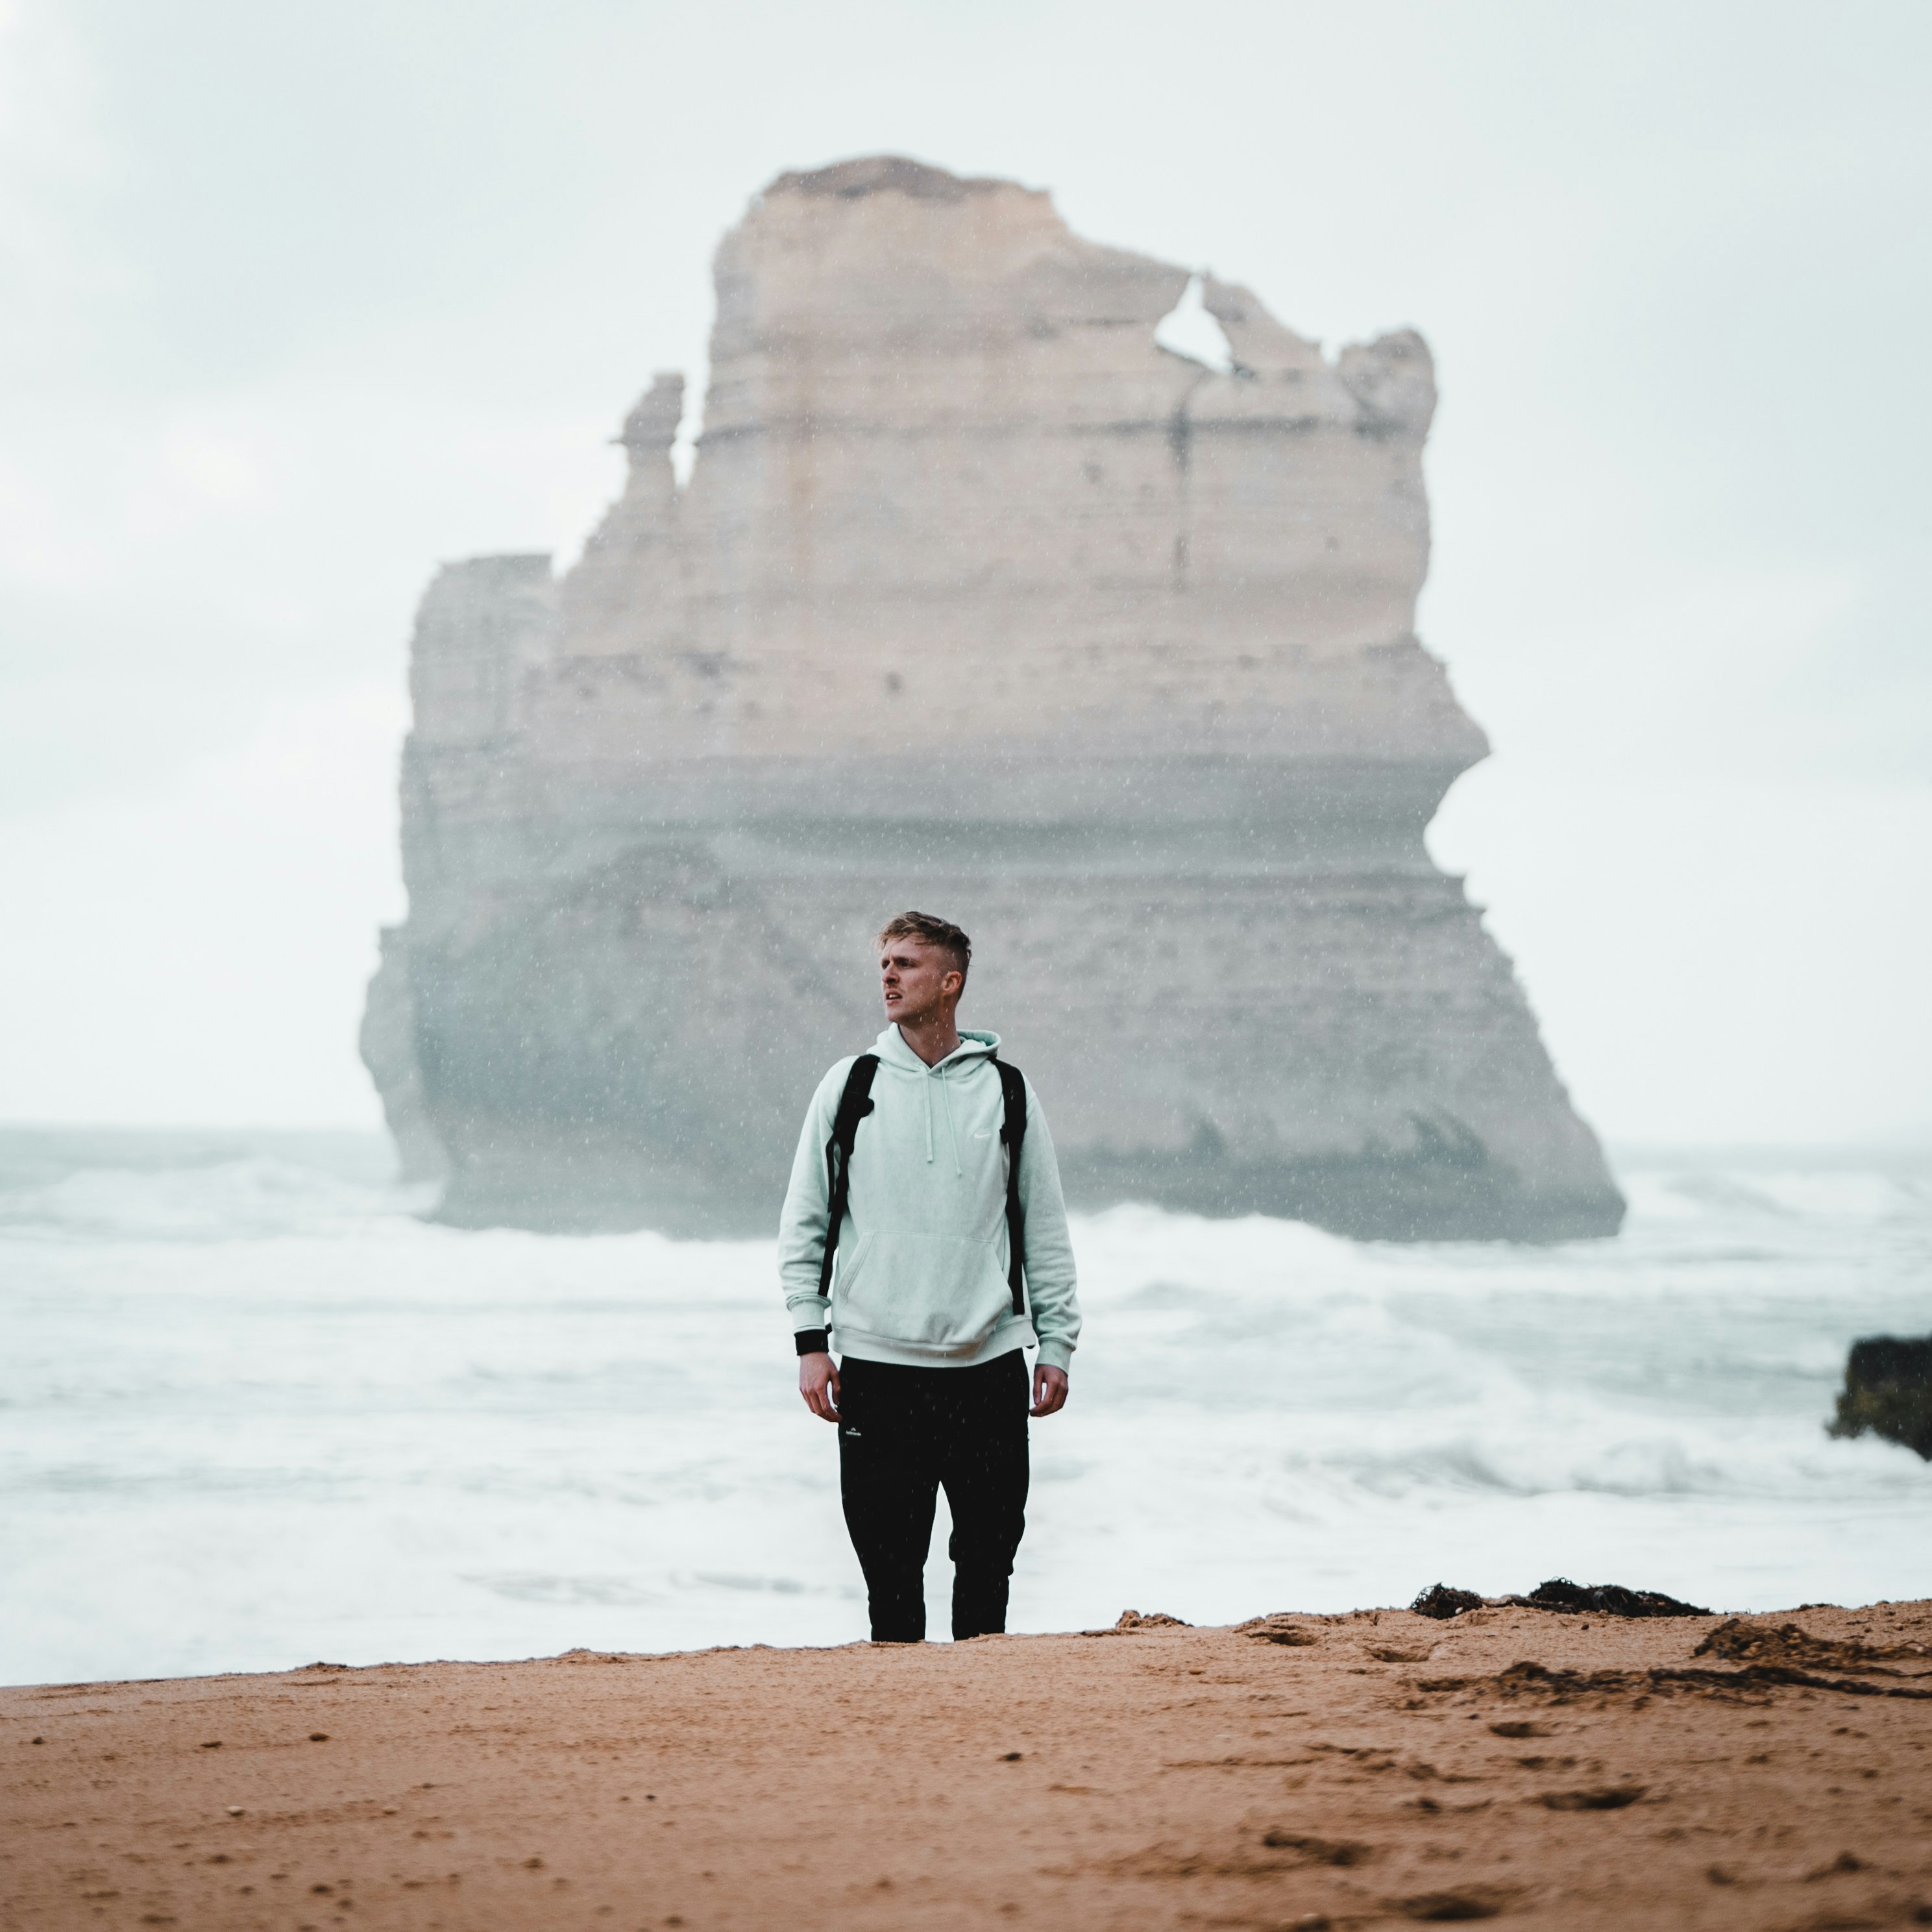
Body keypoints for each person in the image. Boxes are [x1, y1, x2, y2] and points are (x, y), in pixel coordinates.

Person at [778, 911, 1082, 1643]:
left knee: (987, 1569)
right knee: (890, 1578)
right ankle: (898, 1742)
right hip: (880, 1369)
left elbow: (1042, 1227)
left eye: (907, 964)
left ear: (950, 984)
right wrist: (809, 1341)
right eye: (884, 962)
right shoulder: (850, 1086)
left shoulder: (1006, 1092)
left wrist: (1057, 1343)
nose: (888, 974)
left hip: (987, 1369)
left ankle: (983, 1729)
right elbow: (805, 1223)